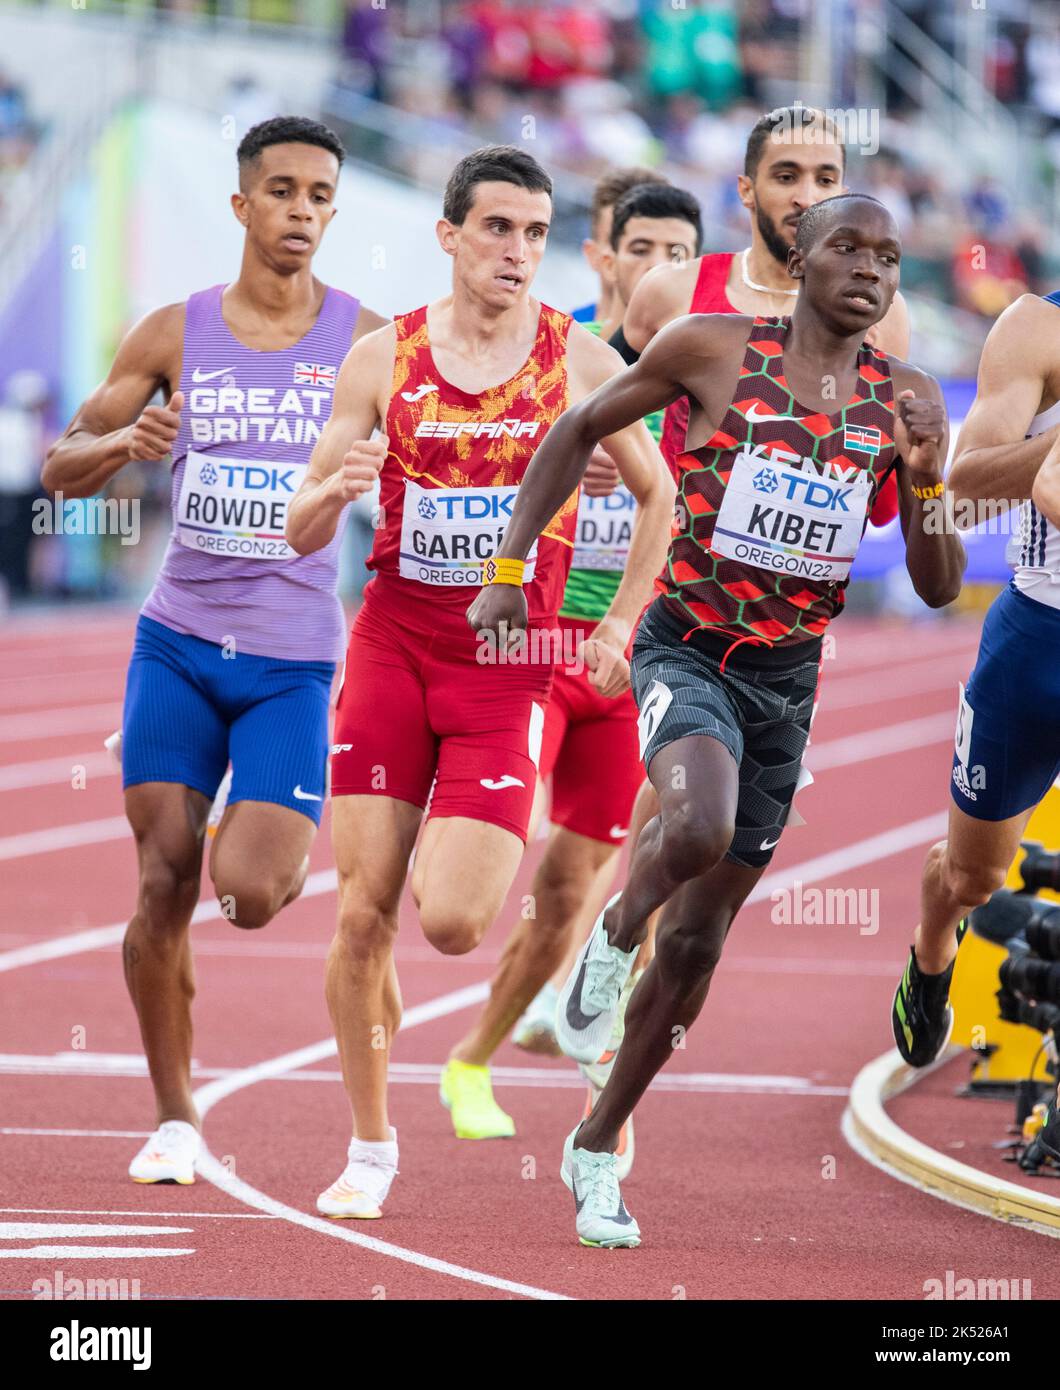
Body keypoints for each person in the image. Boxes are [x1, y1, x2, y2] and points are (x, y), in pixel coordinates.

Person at [469, 192, 966, 1247]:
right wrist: (511, 568)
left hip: (787, 683)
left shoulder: (906, 398)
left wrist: (923, 483)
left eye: (888, 255)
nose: (871, 269)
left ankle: (596, 1145)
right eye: (848, 247)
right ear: (798, 254)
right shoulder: (711, 348)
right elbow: (577, 426)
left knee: (697, 945)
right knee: (690, 828)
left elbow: (934, 582)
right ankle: (608, 939)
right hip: (684, 647)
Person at [284, 145, 675, 1220]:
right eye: (497, 228)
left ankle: (416, 1000)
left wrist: (621, 623)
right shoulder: (384, 358)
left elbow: (660, 501)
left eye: (535, 233)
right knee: (361, 915)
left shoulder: (580, 359)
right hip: (393, 648)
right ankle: (370, 1146)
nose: (517, 251)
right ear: (449, 234)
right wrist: (338, 490)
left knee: (452, 920)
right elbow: (299, 519)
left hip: (507, 667)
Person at [41, 117, 387, 1186]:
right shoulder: (172, 334)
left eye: (319, 194)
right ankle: (177, 1116)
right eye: (280, 191)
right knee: (161, 881)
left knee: (248, 893)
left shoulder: (372, 341)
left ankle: (256, 796)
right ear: (242, 206)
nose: (300, 211)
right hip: (181, 642)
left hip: (290, 661)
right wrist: (121, 445)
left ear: (334, 210)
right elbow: (61, 470)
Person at [439, 182, 702, 1149]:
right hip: (534, 646)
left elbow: (680, 506)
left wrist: (638, 623)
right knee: (488, 867)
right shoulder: (547, 350)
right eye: (641, 247)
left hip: (629, 662)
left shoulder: (702, 376)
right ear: (600, 256)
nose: (656, 268)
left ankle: (481, 1056)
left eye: (679, 252)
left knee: (572, 893)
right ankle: (474, 1021)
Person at [892, 289, 1060, 1172]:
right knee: (973, 874)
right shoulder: (1038, 328)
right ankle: (930, 952)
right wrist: (1050, 454)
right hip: (1039, 641)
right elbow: (962, 487)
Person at [572, 165, 669, 323]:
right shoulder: (553, 338)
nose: (654, 262)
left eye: (663, 247)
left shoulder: (697, 343)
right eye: (617, 240)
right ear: (592, 255)